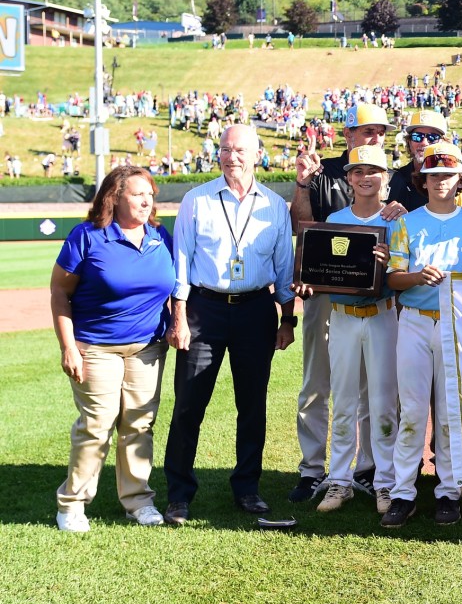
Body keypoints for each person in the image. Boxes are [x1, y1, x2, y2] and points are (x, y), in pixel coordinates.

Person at [162, 124, 296, 524]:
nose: (231, 156)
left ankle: (248, 489)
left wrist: (287, 319)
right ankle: (179, 494)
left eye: (239, 150)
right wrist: (179, 319)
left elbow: (284, 270)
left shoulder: (274, 205)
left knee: (252, 405)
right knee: (189, 404)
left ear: (257, 154)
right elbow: (181, 264)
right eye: (224, 149)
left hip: (256, 310)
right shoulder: (196, 199)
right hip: (205, 309)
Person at [51, 166, 175, 532]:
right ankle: (72, 504)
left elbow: (171, 289)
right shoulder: (87, 237)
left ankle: (137, 501)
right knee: (96, 424)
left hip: (147, 349)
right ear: (114, 197)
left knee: (139, 424)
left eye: (149, 194)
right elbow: (60, 291)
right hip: (95, 348)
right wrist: (68, 347)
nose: (146, 200)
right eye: (137, 193)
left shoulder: (159, 235)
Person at [288, 104, 401, 503]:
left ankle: (381, 478)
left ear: (385, 176)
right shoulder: (331, 205)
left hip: (383, 313)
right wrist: (307, 281)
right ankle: (332, 476)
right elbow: (307, 240)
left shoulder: (397, 217)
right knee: (337, 394)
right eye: (359, 171)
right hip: (338, 311)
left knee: (383, 398)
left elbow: (404, 267)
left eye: (374, 171)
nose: (366, 177)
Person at [382, 142, 462, 528]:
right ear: (422, 180)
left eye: (447, 174)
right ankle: (403, 492)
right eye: (432, 175)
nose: (440, 181)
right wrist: (415, 275)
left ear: (459, 178)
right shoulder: (407, 223)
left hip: (457, 323)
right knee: (411, 411)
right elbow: (393, 278)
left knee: (448, 412)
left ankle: (448, 491)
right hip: (413, 317)